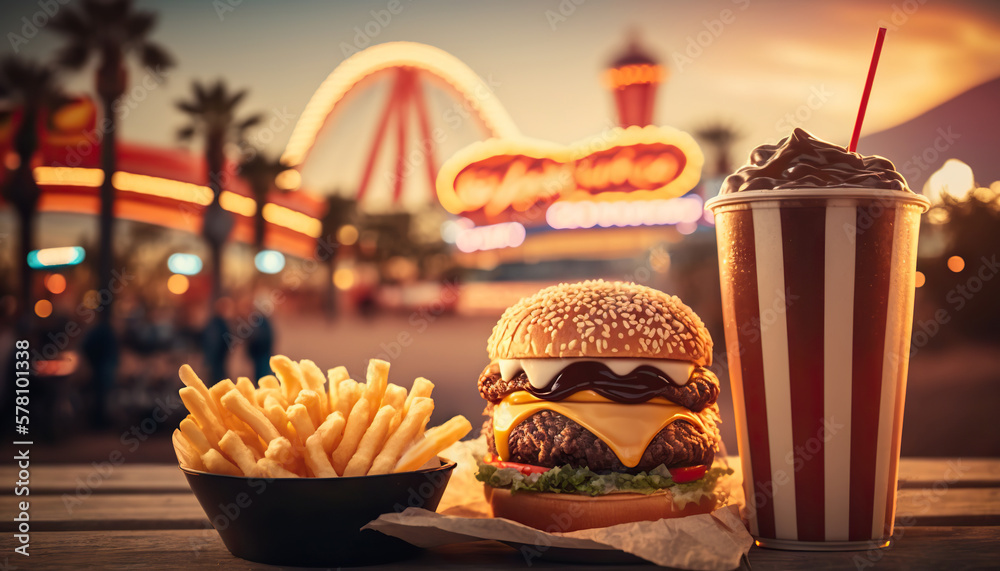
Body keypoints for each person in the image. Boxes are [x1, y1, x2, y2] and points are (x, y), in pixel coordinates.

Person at [202, 297, 233, 386]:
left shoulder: (218, 322)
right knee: (216, 380)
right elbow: (213, 342)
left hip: (220, 358)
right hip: (216, 359)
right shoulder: (216, 323)